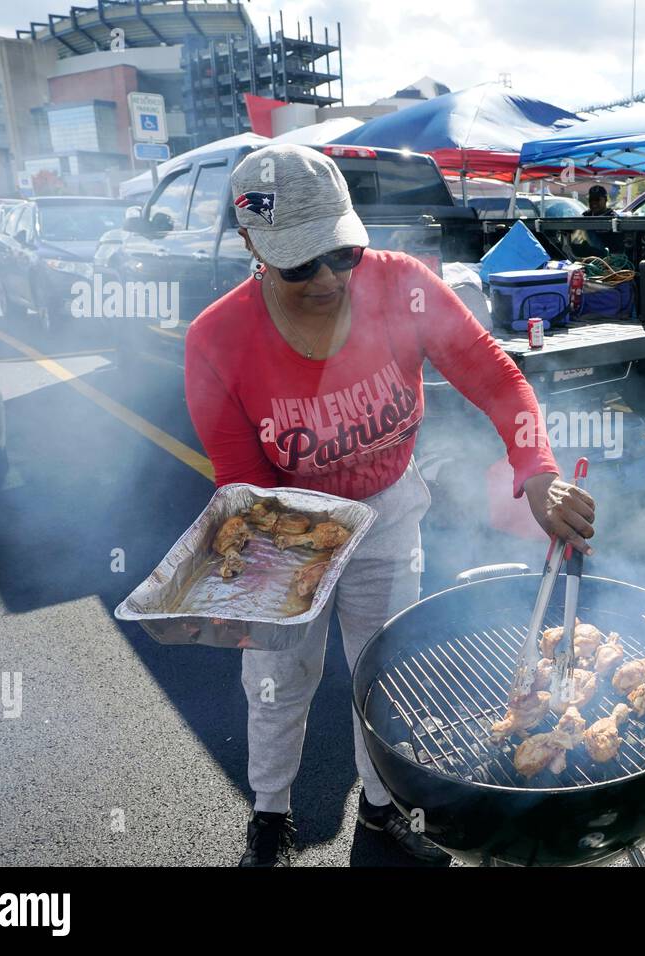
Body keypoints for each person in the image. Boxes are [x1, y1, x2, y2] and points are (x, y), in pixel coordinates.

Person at [184, 145, 596, 867]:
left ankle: (382, 807)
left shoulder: (403, 285)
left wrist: (536, 468)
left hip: (387, 511)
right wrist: (246, 577)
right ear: (250, 243)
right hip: (287, 530)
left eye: (340, 253)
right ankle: (270, 816)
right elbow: (243, 482)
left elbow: (497, 380)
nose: (326, 278)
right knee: (280, 683)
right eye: (299, 262)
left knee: (385, 672)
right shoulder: (218, 338)